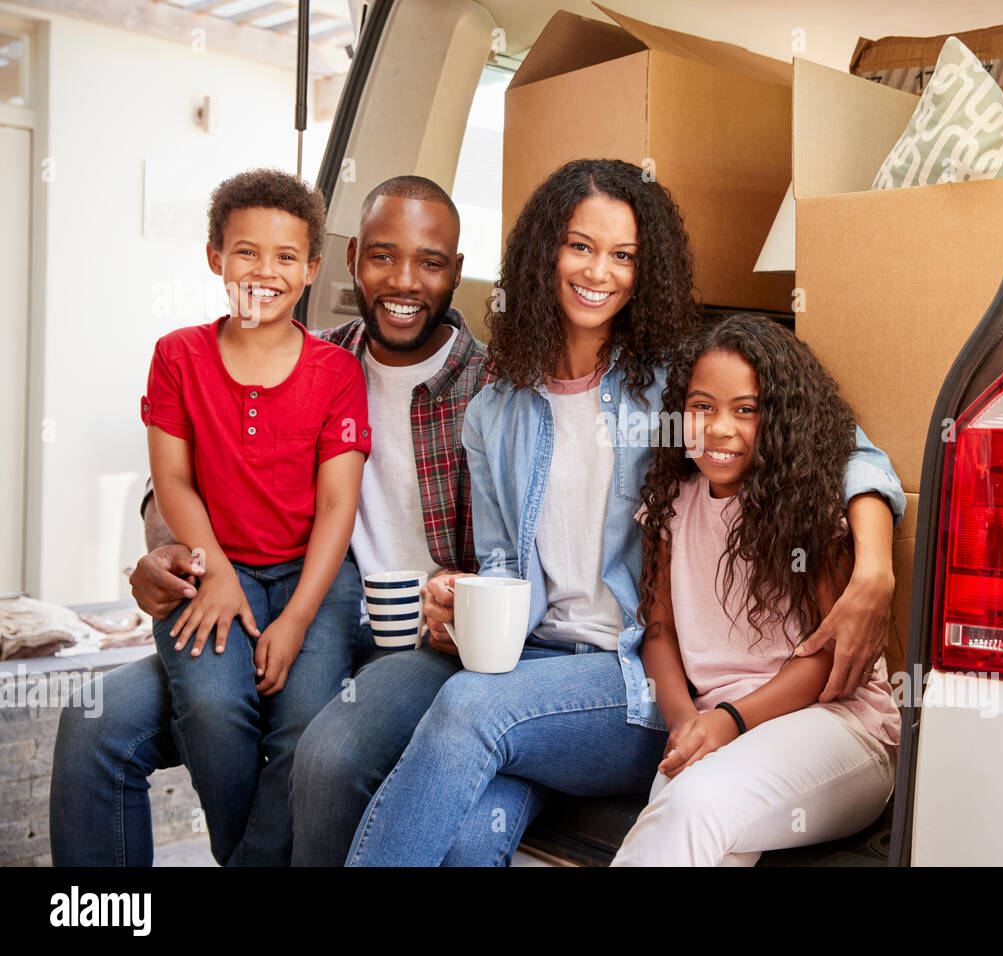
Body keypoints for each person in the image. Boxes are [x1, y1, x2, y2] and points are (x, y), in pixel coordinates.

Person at [344, 158, 905, 866]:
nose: (598, 272)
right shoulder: (493, 410)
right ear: (545, 252)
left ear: (648, 271)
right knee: (464, 835)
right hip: (534, 665)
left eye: (624, 256)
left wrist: (876, 571)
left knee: (468, 709)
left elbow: (849, 450)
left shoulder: (683, 381)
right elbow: (500, 563)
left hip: (630, 678)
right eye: (580, 246)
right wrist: (460, 600)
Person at [49, 175, 488, 866]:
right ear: (347, 263)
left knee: (320, 747)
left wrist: (465, 597)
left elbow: (516, 556)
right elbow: (180, 481)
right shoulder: (322, 351)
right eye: (381, 256)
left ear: (455, 274)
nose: (404, 280)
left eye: (429, 262)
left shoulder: (491, 392)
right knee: (93, 722)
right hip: (251, 595)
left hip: (401, 645)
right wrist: (170, 557)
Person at [609, 314, 900, 866]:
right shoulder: (672, 504)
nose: (720, 428)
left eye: (746, 410)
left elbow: (828, 658)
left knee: (695, 806)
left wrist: (729, 721)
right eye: (702, 406)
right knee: (701, 838)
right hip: (714, 730)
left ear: (781, 420)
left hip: (838, 728)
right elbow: (660, 629)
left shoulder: (811, 508)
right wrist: (684, 724)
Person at [140, 168, 369, 865]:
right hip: (214, 567)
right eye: (246, 251)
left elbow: (339, 503)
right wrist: (214, 574)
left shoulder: (337, 373)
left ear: (311, 269)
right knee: (212, 709)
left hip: (315, 580)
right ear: (215, 257)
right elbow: (172, 479)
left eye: (285, 256)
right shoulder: (177, 356)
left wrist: (297, 616)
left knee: (304, 724)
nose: (264, 272)